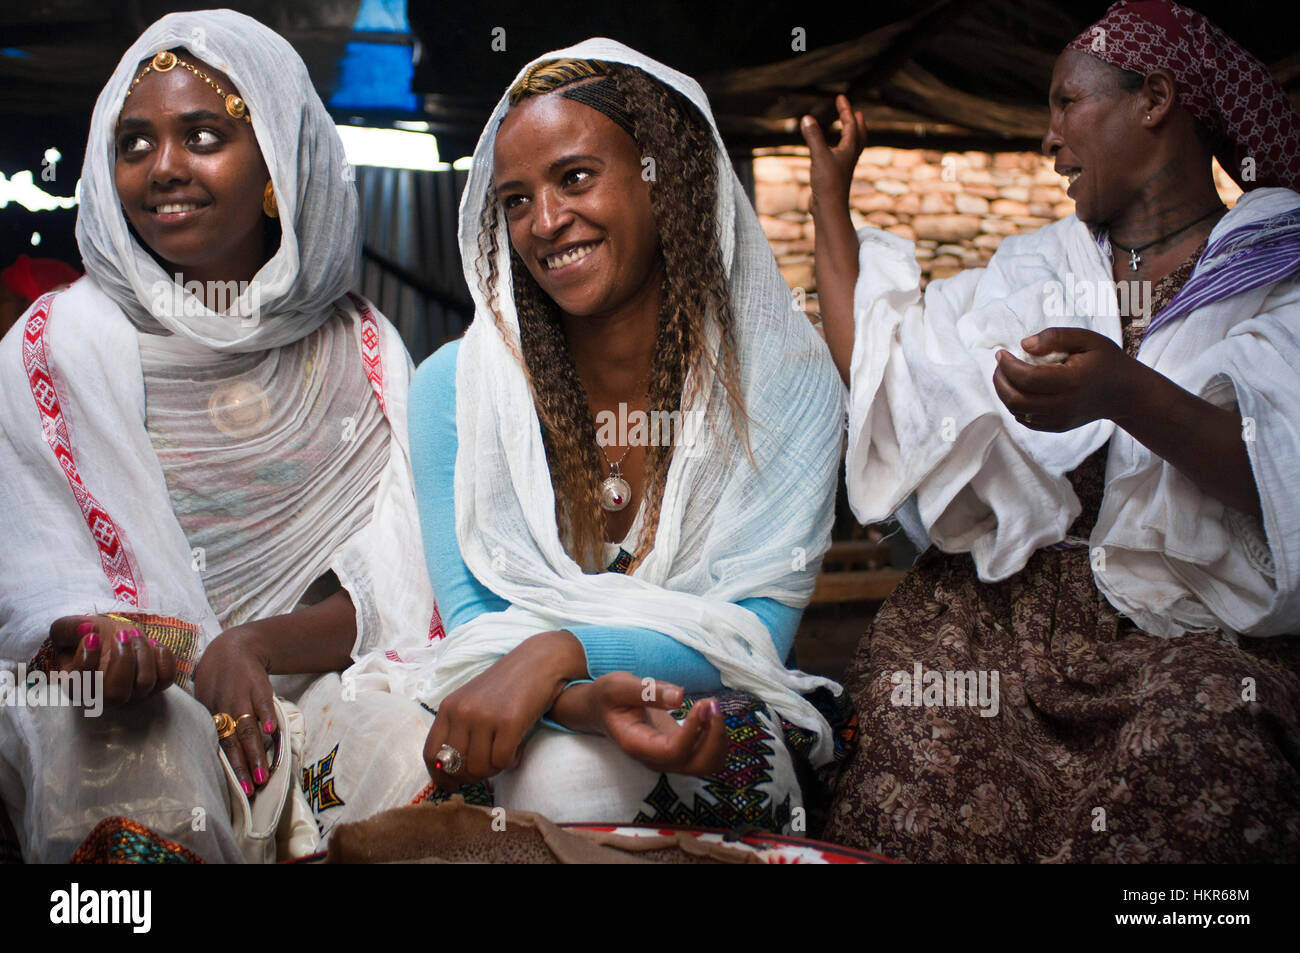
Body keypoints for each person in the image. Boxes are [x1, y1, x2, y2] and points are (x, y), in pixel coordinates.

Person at [802, 0, 1300, 862]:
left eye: (1068, 103)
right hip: (1004, 621)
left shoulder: (1270, 270)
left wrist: (1121, 391)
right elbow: (884, 372)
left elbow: (1281, 468)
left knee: (1201, 744)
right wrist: (828, 196)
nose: (1048, 138)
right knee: (924, 729)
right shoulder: (1034, 271)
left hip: (1187, 636)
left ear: (1154, 100)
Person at [0, 10, 437, 863]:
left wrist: (253, 647)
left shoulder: (365, 350)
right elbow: (31, 584)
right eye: (133, 144)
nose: (163, 168)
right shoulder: (55, 347)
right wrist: (111, 641)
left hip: (320, 688)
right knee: (135, 752)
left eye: (203, 136)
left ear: (276, 162)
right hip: (130, 696)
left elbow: (403, 580)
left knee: (415, 752)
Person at [396, 40, 850, 830]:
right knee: (515, 773)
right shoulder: (455, 390)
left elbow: (752, 640)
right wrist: (576, 698)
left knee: (575, 786)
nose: (544, 223)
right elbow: (475, 636)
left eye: (575, 177)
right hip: (517, 707)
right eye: (514, 199)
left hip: (716, 708)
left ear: (660, 178)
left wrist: (562, 650)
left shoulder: (787, 383)